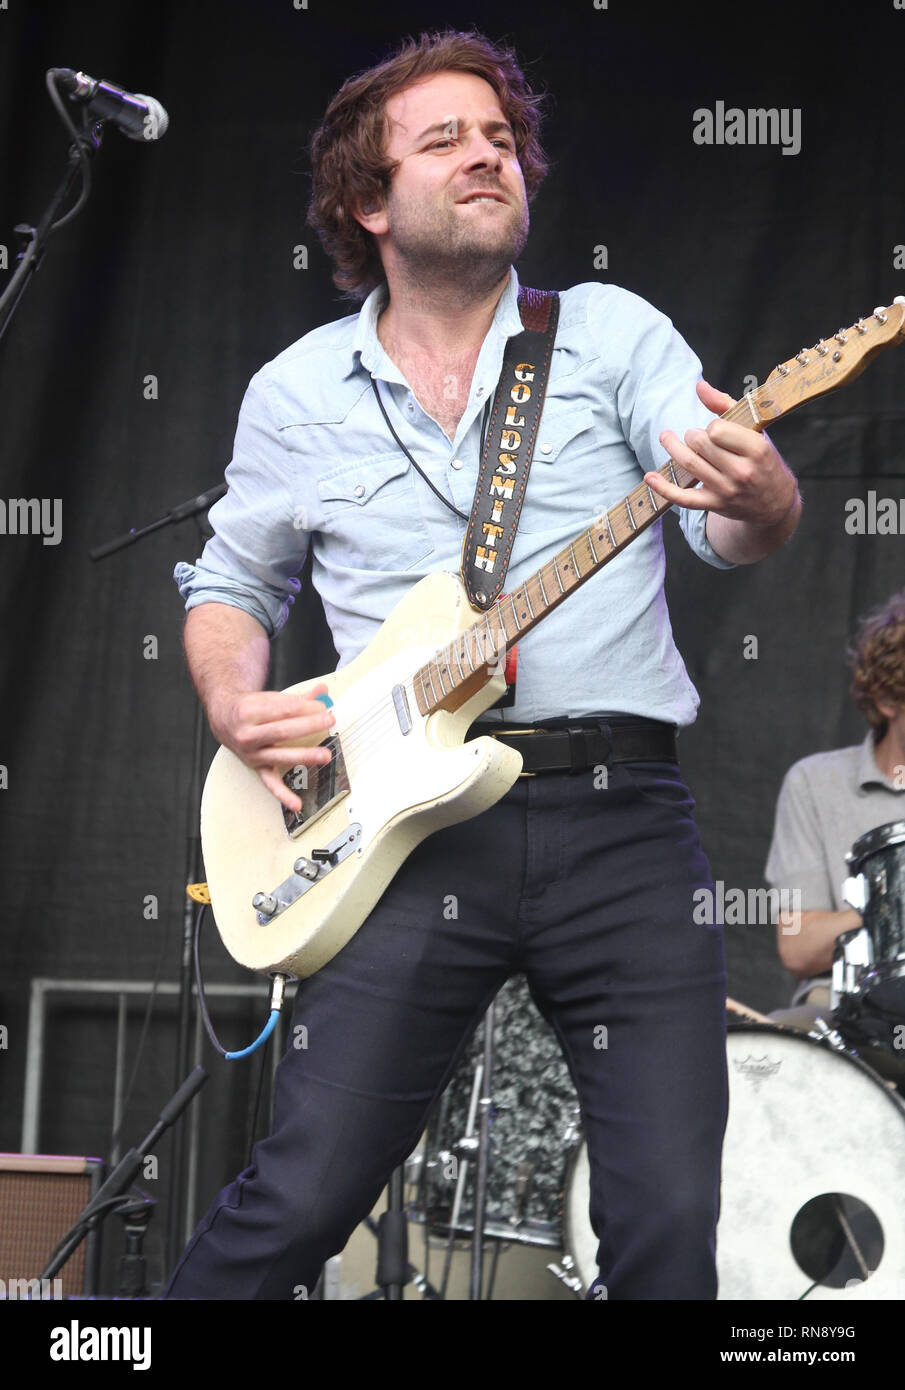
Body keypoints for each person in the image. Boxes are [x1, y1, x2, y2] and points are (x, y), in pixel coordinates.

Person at [164, 29, 801, 1300]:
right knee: (298, 1196)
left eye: (501, 137)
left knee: (670, 1221)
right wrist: (235, 700)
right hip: (402, 831)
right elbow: (231, 586)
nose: (486, 155)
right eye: (443, 138)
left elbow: (722, 518)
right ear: (365, 199)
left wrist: (762, 492)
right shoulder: (296, 392)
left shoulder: (611, 335)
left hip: (616, 819)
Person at [766, 589, 905, 1027]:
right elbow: (800, 947)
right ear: (887, 701)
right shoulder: (814, 783)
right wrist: (892, 913)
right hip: (844, 1012)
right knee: (780, 1045)